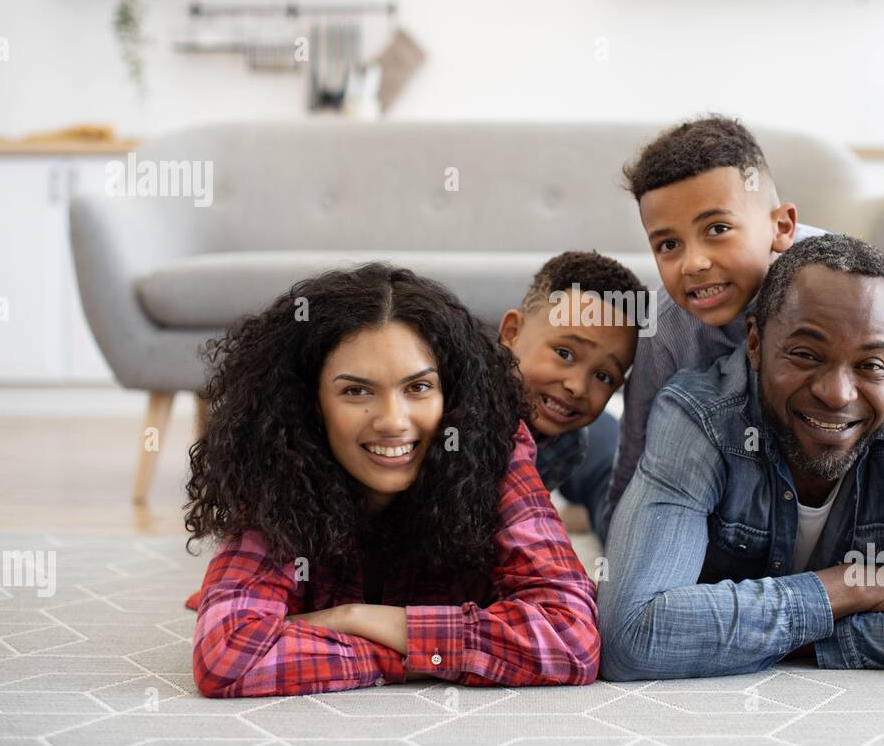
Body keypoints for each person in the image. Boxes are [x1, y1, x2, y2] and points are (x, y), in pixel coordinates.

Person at [599, 234, 884, 680]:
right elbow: (632, 635)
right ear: (756, 343)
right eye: (806, 355)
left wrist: (823, 640)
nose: (836, 393)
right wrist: (848, 588)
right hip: (626, 467)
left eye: (870, 366)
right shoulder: (700, 416)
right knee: (593, 469)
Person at [184, 263, 599, 697]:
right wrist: (421, 657)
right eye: (356, 391)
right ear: (310, 406)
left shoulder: (489, 442)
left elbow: (571, 639)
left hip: (573, 442)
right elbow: (228, 656)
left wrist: (354, 619)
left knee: (596, 459)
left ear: (452, 396)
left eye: (418, 388)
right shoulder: (280, 463)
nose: (392, 421)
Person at [602, 114, 884, 531]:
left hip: (861, 513)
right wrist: (623, 546)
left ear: (782, 227)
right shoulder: (668, 329)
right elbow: (636, 461)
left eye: (718, 229)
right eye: (668, 245)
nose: (694, 263)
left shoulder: (858, 287)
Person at [496, 250, 644, 540]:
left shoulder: (571, 446)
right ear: (512, 332)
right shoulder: (454, 410)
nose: (577, 386)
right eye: (564, 353)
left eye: (603, 377)